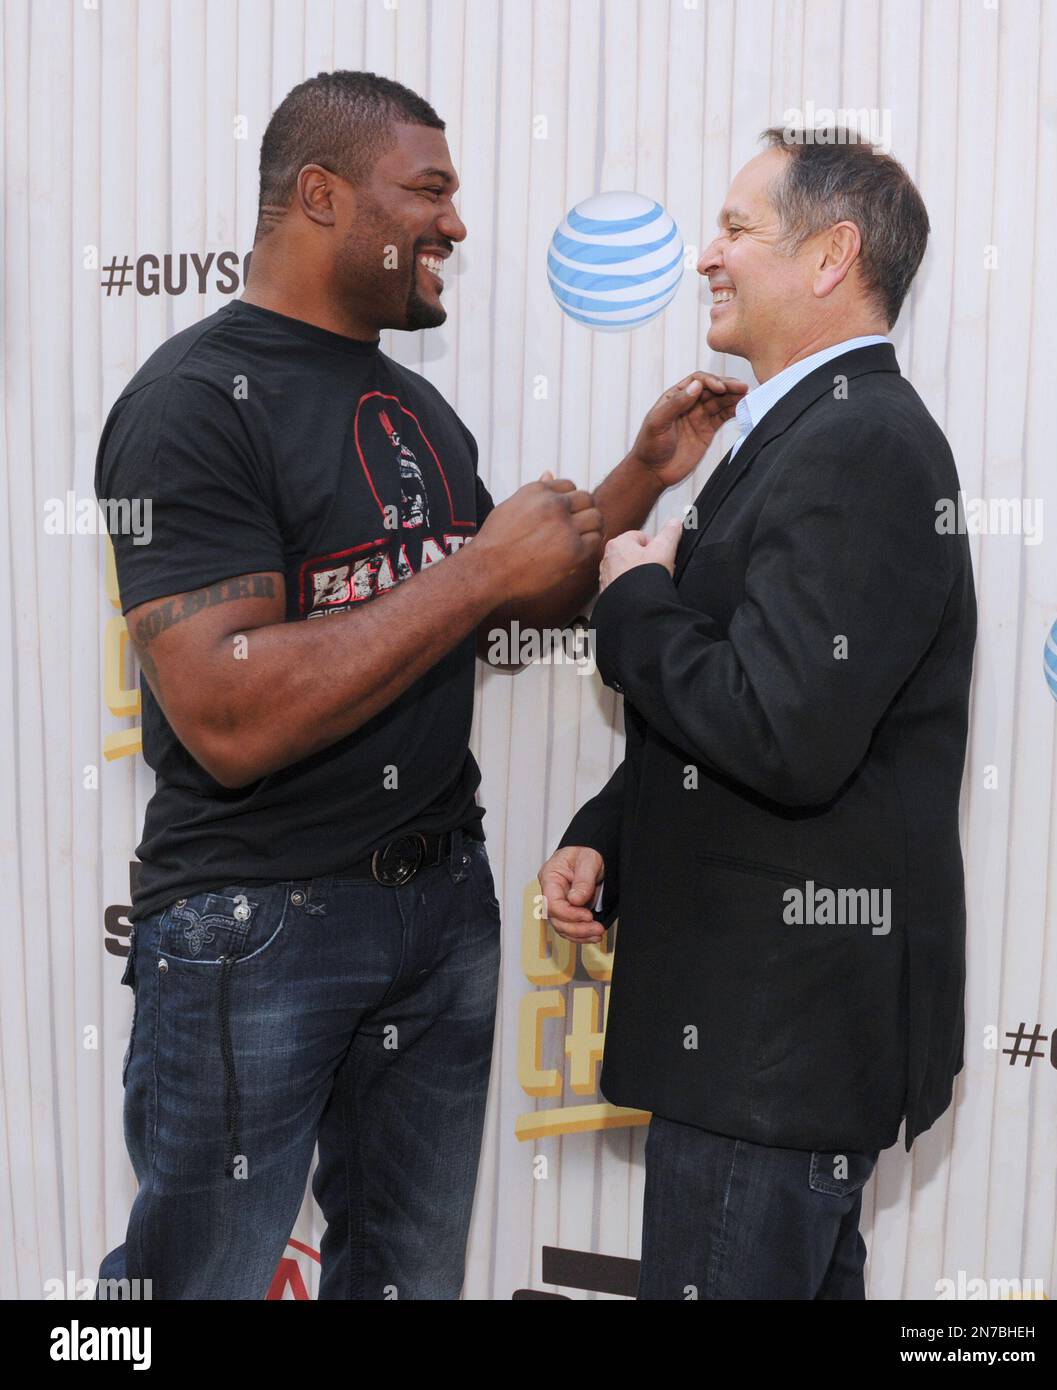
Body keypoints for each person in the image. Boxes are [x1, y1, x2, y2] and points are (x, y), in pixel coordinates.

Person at [95, 69, 745, 1300]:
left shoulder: (415, 409)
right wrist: (478, 570)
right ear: (324, 196)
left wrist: (640, 475)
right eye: (429, 191)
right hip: (260, 925)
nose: (454, 223)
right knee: (188, 1285)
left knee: (404, 1276)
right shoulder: (190, 405)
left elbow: (509, 590)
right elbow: (227, 715)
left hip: (439, 909)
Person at [540, 127, 977, 1300]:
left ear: (830, 255)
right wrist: (610, 832)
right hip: (760, 1051)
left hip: (769, 1054)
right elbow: (754, 697)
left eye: (737, 227)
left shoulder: (858, 446)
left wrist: (630, 595)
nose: (705, 256)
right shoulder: (794, 434)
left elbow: (779, 731)